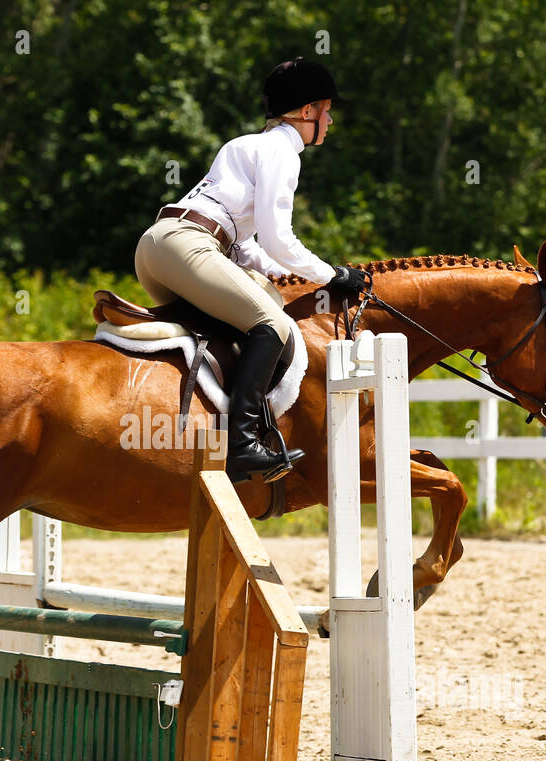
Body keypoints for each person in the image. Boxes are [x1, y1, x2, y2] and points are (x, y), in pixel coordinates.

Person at [134, 57, 370, 484]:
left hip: (155, 247)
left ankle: (207, 421)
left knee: (246, 320)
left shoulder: (243, 145)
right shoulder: (282, 151)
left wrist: (290, 276)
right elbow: (279, 239)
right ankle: (241, 446)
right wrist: (331, 275)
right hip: (189, 246)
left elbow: (244, 247)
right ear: (305, 112)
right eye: (326, 109)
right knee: (272, 326)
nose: (331, 119)